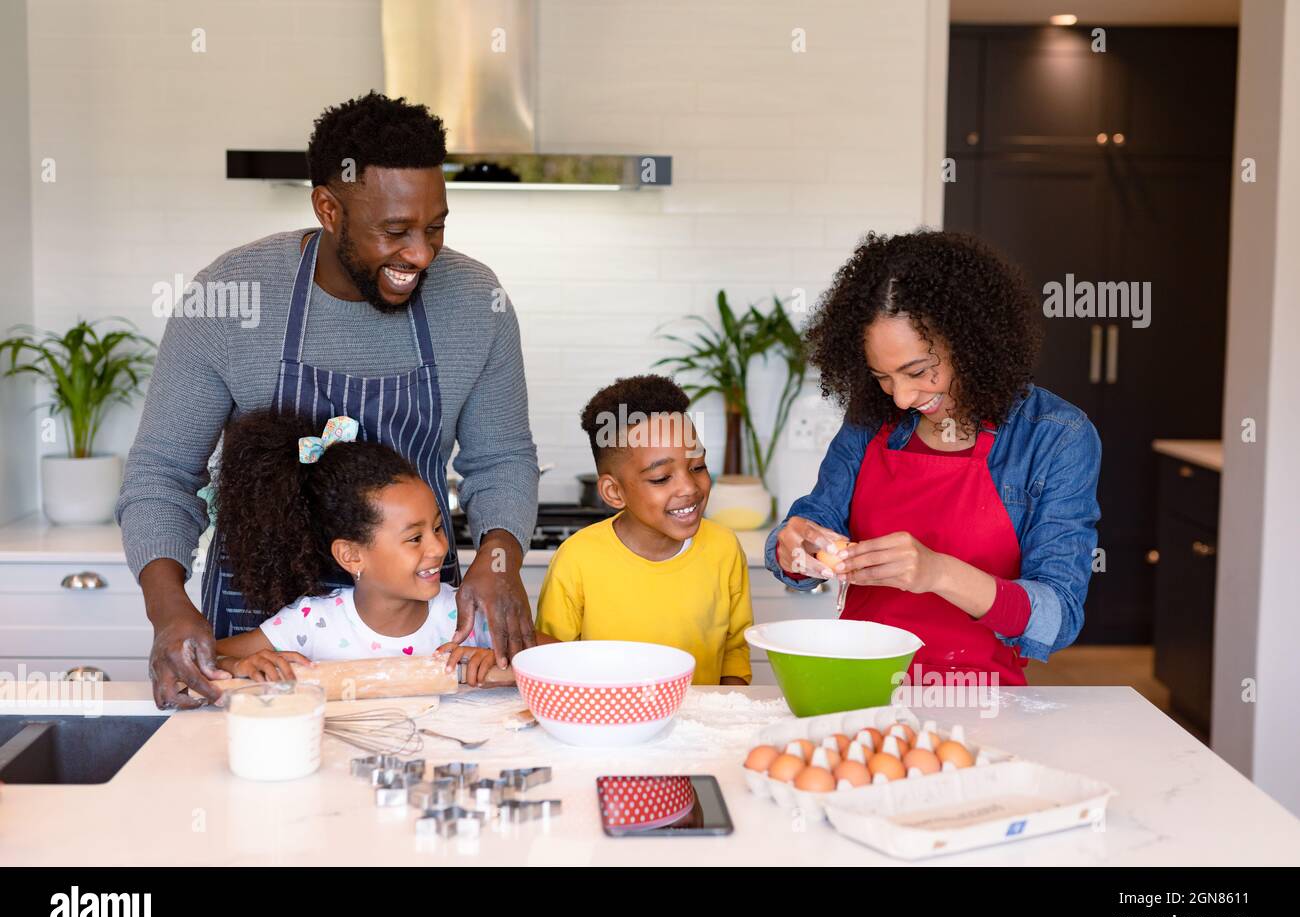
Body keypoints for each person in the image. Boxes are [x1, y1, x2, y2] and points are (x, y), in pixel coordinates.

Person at [115, 92, 539, 708]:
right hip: (263, 642)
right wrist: (169, 611)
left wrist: (499, 559)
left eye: (435, 227)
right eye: (394, 231)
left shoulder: (477, 302)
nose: (420, 254)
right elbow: (161, 476)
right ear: (329, 207)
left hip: (416, 636)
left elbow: (502, 459)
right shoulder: (232, 297)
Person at [767, 230, 1101, 687]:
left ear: (970, 340)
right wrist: (796, 548)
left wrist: (938, 571)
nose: (902, 397)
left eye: (920, 372)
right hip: (860, 689)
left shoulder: (1054, 437)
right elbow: (814, 520)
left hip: (985, 703)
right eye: (882, 377)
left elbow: (1058, 617)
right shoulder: (870, 423)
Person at [208, 411, 508, 687]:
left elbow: (550, 652)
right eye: (415, 538)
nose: (438, 547)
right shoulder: (311, 623)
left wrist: (503, 663)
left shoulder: (465, 615)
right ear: (351, 556)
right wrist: (239, 665)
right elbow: (204, 658)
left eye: (438, 527)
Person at [535, 375, 753, 685]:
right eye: (662, 478)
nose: (689, 488)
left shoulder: (724, 547)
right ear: (614, 492)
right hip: (609, 726)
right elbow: (550, 663)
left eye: (697, 466)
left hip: (701, 728)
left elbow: (735, 651)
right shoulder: (577, 559)